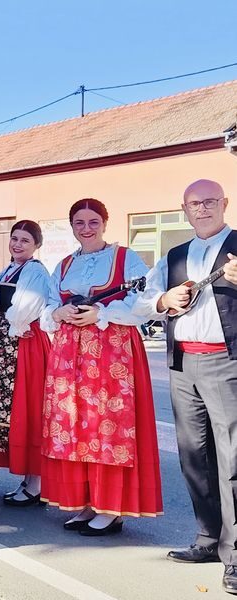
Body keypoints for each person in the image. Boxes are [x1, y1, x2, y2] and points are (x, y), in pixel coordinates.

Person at [134, 179, 236, 591]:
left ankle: (236, 555)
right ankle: (208, 539)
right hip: (181, 363)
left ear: (225, 204)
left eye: (211, 201)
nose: (203, 208)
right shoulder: (175, 254)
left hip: (228, 362)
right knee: (194, 457)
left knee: (234, 462)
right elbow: (145, 300)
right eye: (195, 203)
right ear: (185, 209)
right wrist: (163, 302)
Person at [40, 198, 162, 535]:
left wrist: (102, 314)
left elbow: (145, 302)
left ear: (105, 223)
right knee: (75, 425)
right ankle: (86, 502)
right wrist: (57, 313)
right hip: (69, 353)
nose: (86, 228)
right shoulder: (63, 265)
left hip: (111, 350)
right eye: (79, 222)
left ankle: (111, 508)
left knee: (106, 426)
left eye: (93, 221)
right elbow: (49, 302)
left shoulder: (126, 258)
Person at [0, 220, 52, 505]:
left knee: (25, 405)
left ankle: (35, 483)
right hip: (5, 340)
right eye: (14, 239)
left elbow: (26, 309)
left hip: (23, 342)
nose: (17, 244)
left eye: (25, 241)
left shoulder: (35, 272)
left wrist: (12, 325)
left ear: (36, 245)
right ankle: (29, 481)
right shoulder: (10, 269)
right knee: (11, 407)